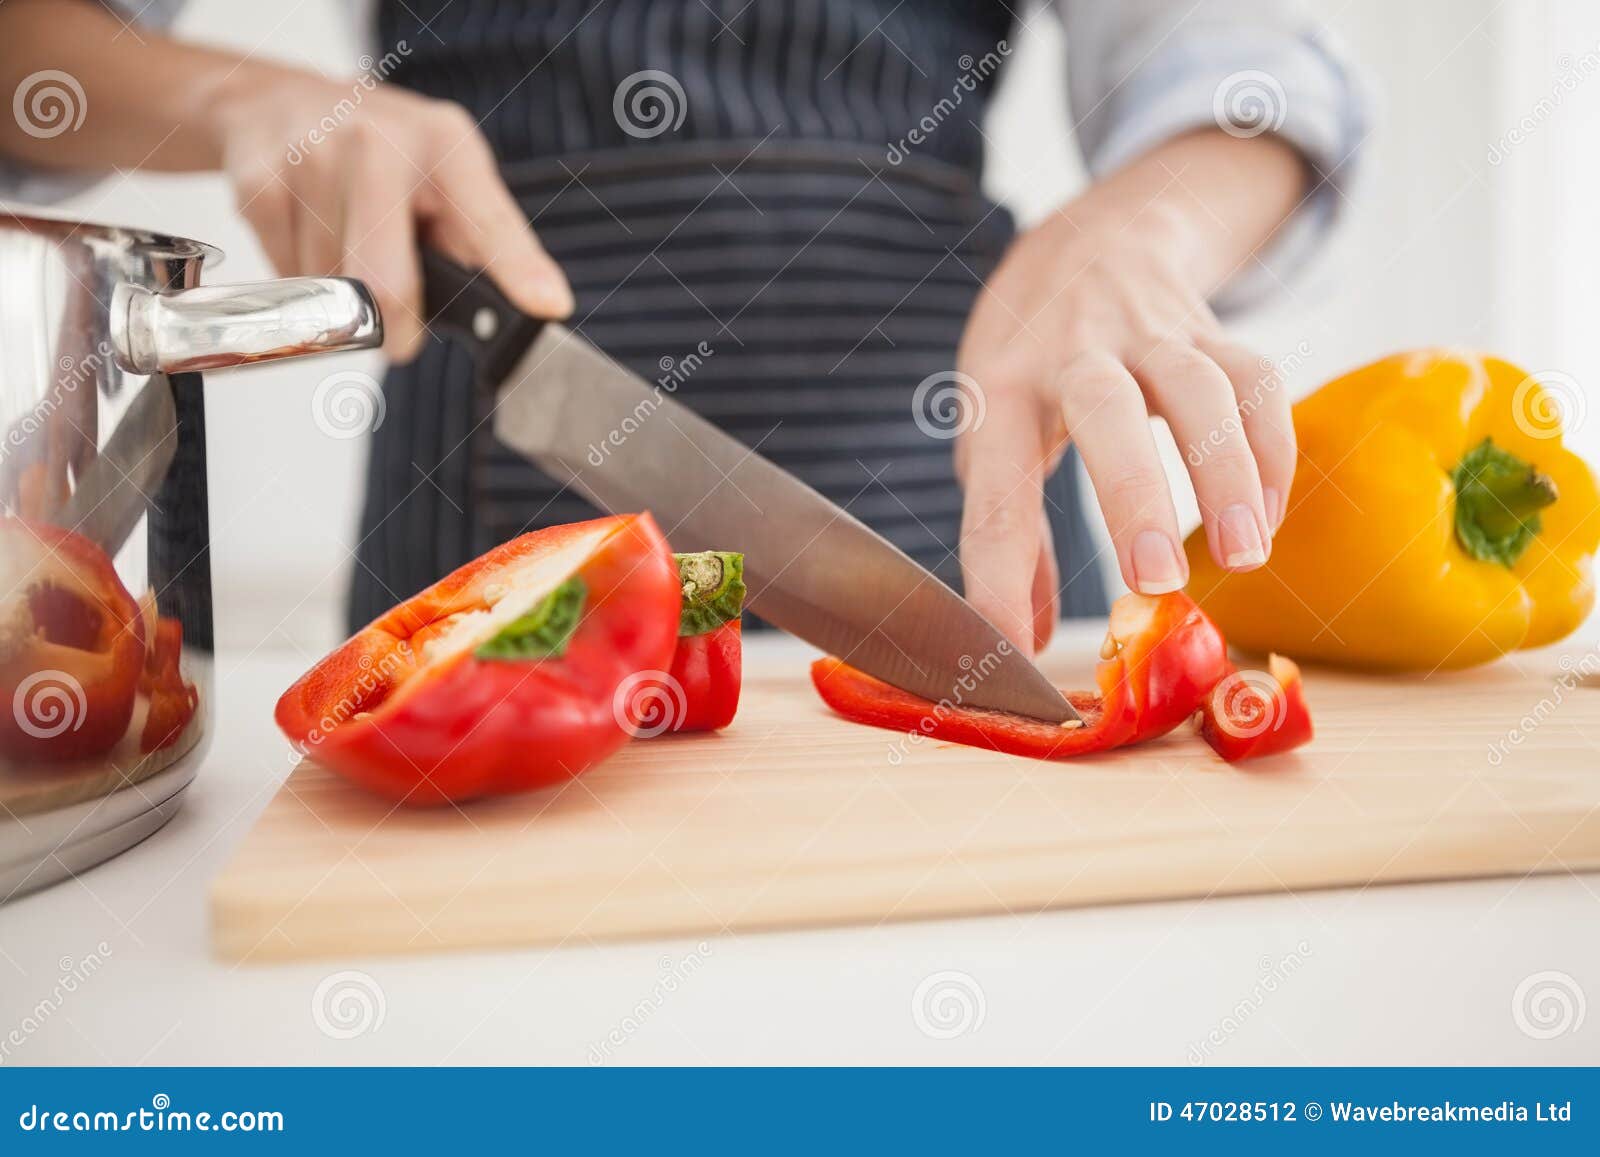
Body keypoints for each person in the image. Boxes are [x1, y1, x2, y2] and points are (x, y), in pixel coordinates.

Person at [0, 0, 1365, 653]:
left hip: (960, 487)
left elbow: (1258, 66)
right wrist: (245, 97)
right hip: (479, 484)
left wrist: (1140, 229)